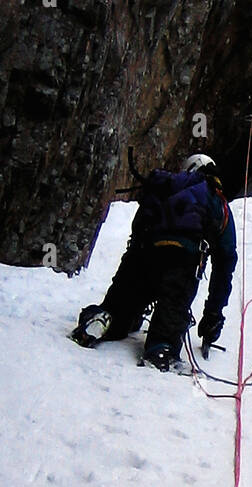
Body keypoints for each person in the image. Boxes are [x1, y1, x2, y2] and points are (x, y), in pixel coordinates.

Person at [72, 154, 238, 370]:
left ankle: (105, 317)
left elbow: (138, 228)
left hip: (141, 257)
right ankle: (160, 348)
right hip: (182, 263)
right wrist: (213, 317)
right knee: (169, 320)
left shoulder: (164, 187)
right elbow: (224, 264)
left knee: (117, 310)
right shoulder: (215, 200)